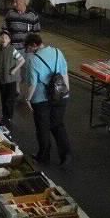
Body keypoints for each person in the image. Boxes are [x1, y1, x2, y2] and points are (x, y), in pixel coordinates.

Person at [23, 33, 71, 165]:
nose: (28, 52)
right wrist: (66, 93)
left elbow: (32, 84)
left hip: (41, 99)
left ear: (34, 45)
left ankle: (44, 156)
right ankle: (66, 155)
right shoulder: (57, 51)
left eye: (28, 49)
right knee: (58, 125)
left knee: (42, 128)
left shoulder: (33, 60)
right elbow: (65, 73)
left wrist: (27, 99)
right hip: (60, 95)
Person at [0, 28, 25, 126]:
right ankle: (5, 116)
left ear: (9, 40)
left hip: (11, 79)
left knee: (9, 99)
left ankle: (8, 117)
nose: (4, 39)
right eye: (2, 37)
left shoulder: (12, 50)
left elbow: (22, 60)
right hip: (2, 78)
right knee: (3, 98)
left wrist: (14, 70)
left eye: (6, 37)